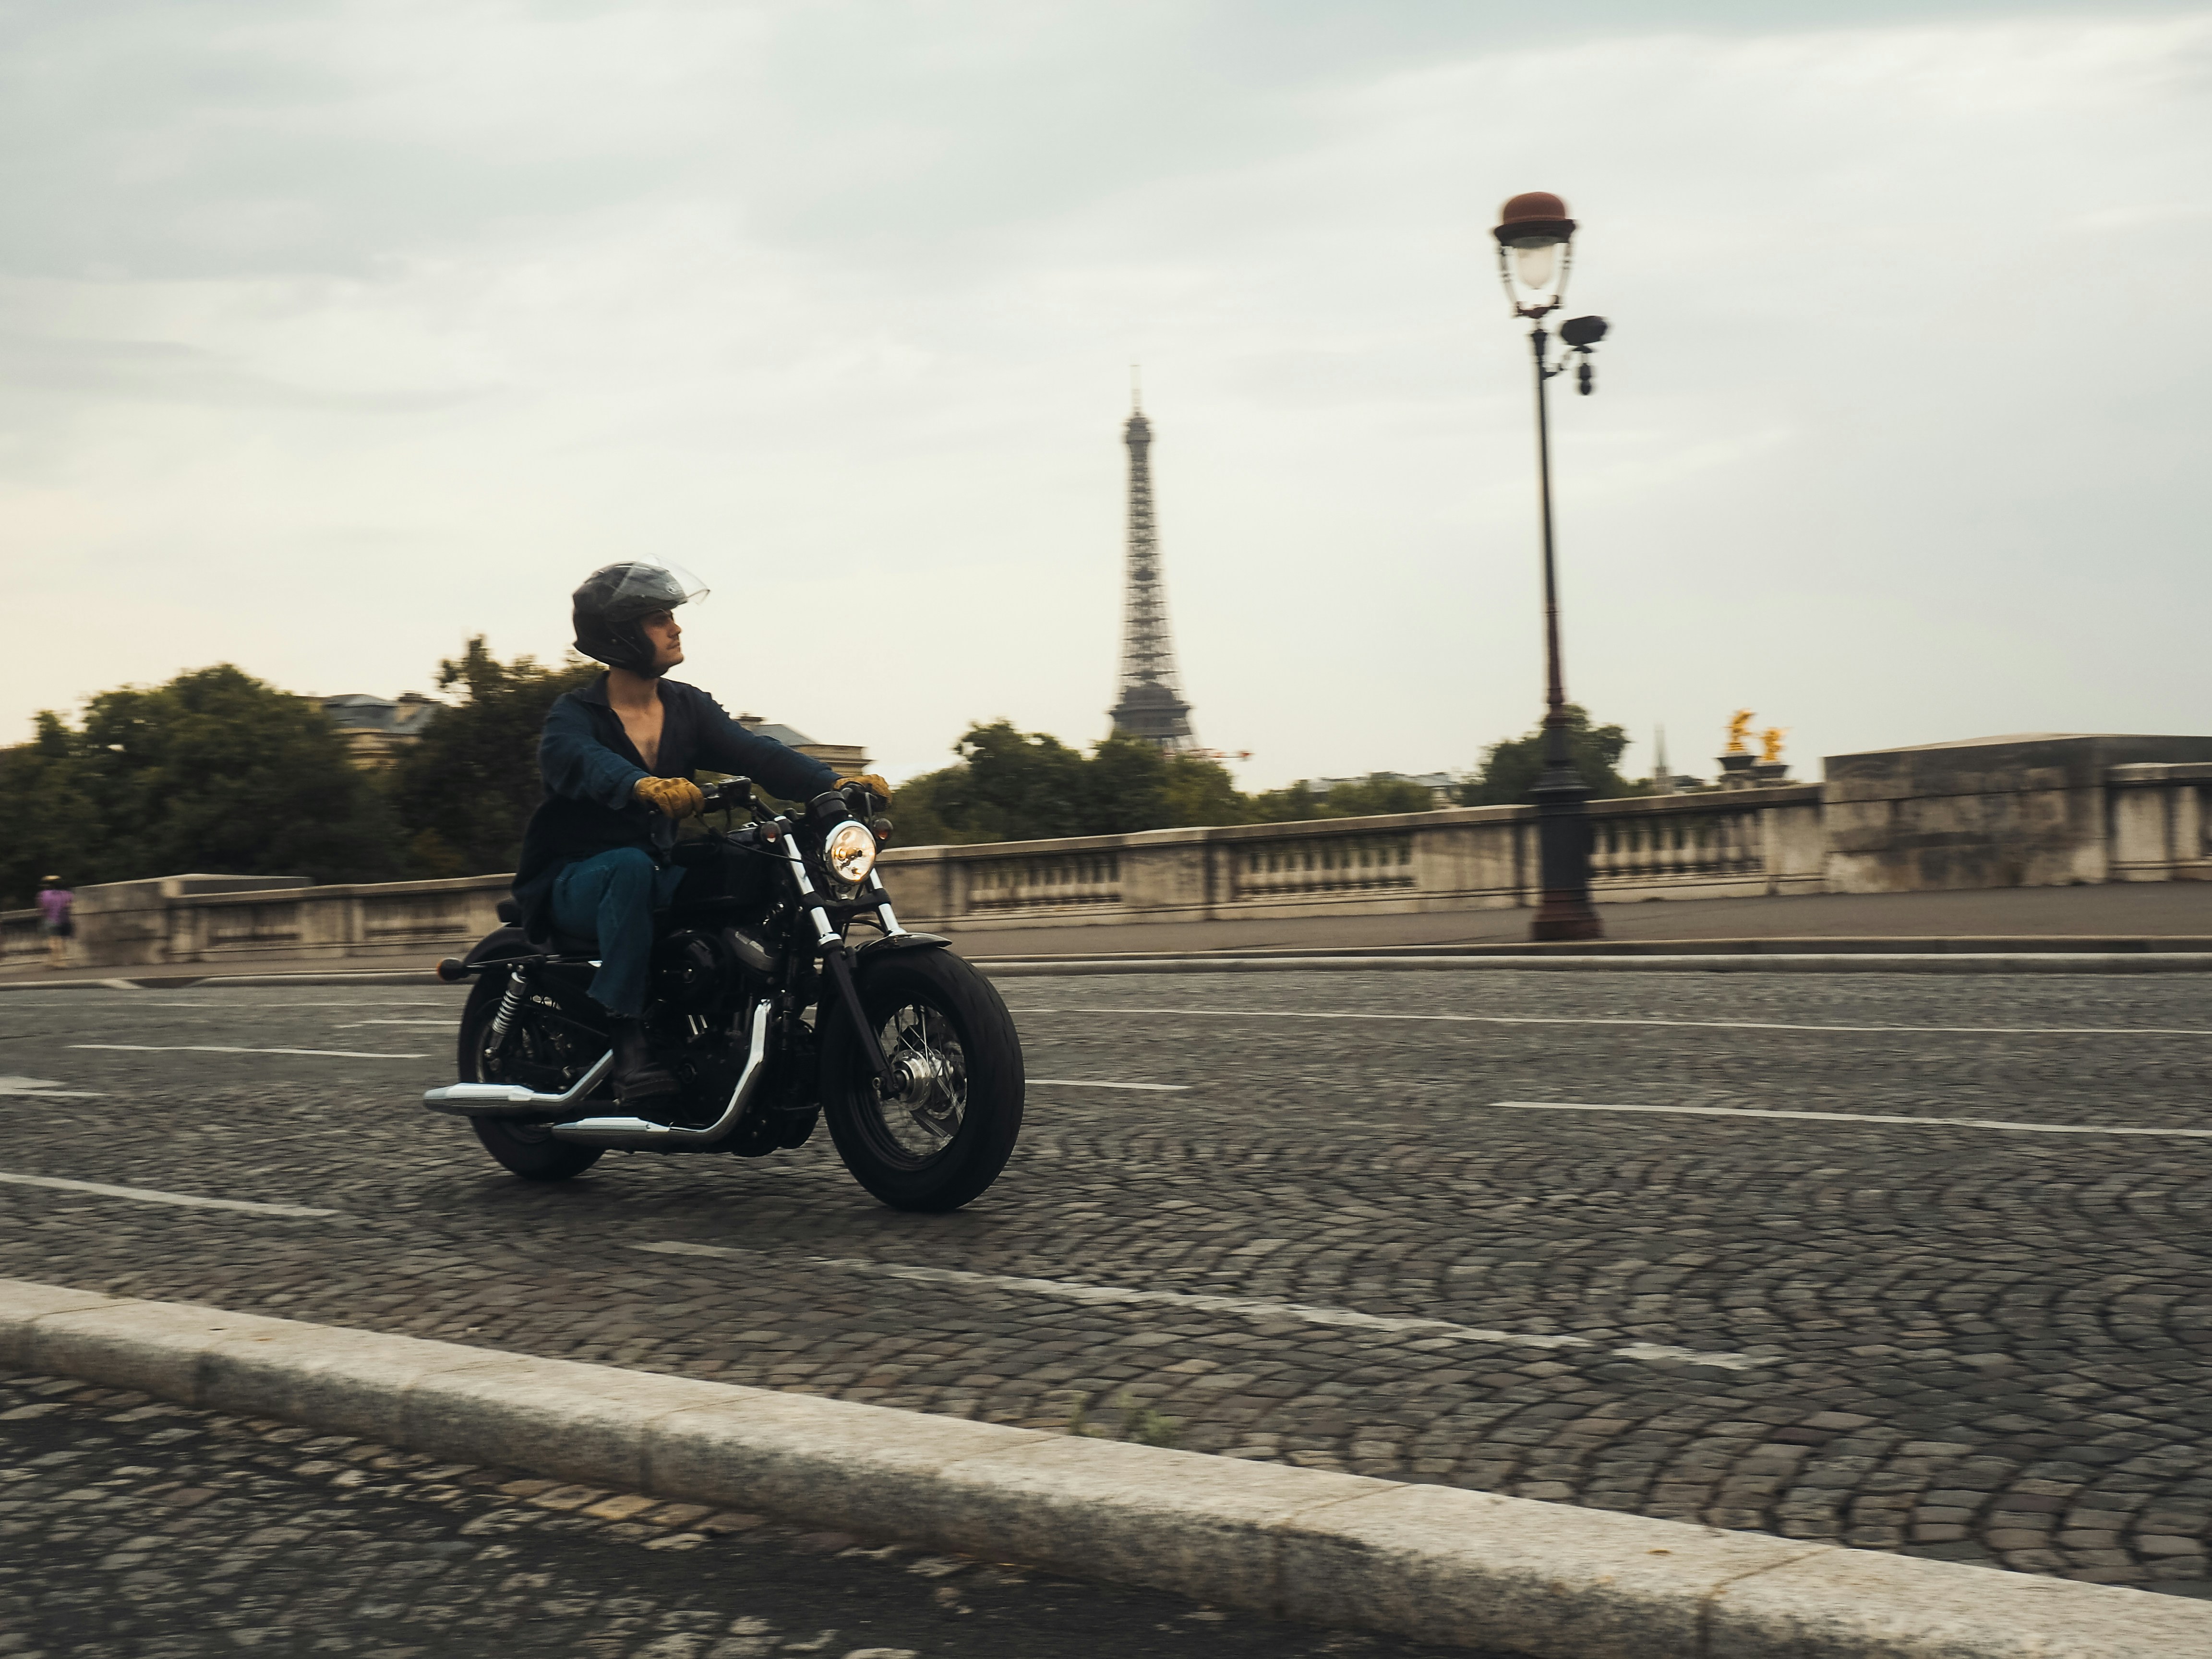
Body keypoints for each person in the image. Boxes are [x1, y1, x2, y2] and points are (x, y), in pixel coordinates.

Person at [512, 562, 890, 1106]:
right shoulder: (575, 716)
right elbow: (579, 760)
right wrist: (642, 786)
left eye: (673, 617)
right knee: (630, 867)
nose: (676, 628)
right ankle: (628, 1041)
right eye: (660, 619)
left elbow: (756, 752)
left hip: (652, 873)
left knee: (747, 862)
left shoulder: (686, 707)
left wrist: (836, 784)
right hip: (573, 881)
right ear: (621, 634)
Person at [36, 877, 73, 971]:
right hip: (64, 920)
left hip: (50, 919)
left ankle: (59, 962)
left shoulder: (44, 894)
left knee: (53, 941)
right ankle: (55, 960)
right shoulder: (67, 894)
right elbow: (69, 906)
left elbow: (43, 908)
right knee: (61, 941)